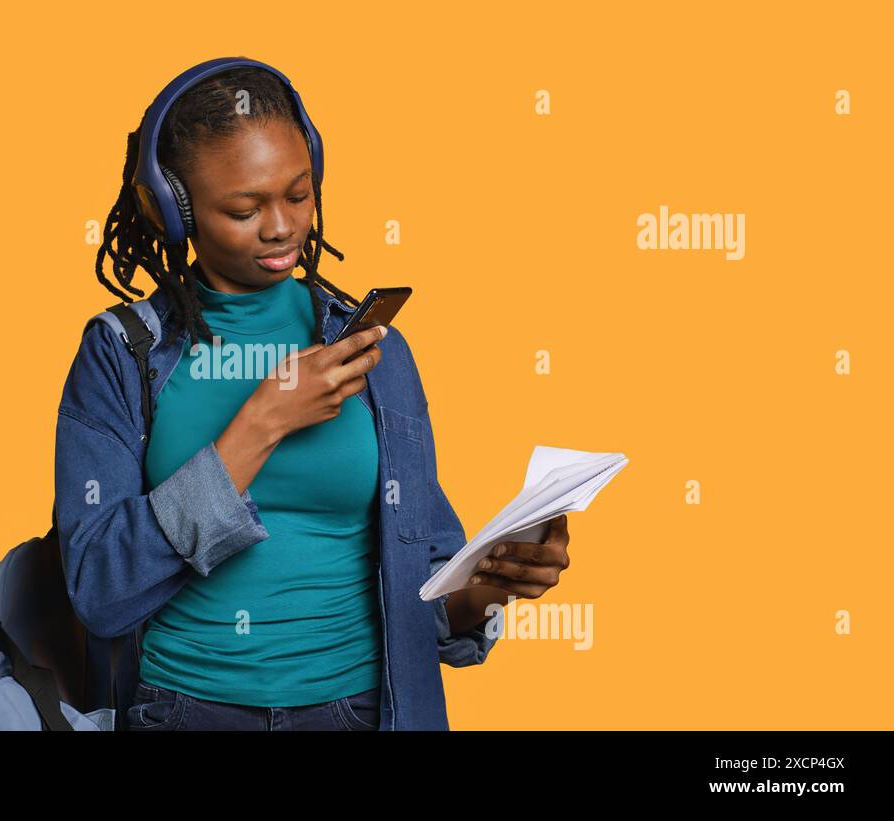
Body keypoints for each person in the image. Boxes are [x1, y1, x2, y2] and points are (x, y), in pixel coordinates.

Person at [55, 59, 571, 731]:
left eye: (298, 195)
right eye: (244, 209)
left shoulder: (375, 351)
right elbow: (98, 587)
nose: (280, 228)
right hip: (184, 710)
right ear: (175, 211)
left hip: (360, 712)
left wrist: (493, 585)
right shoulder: (122, 356)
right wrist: (261, 424)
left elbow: (430, 590)